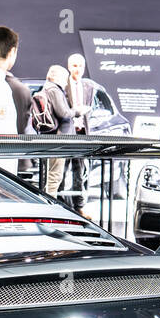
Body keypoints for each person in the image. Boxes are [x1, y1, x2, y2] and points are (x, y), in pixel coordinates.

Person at [64, 53, 105, 217]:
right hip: (66, 134)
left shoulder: (89, 87)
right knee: (61, 170)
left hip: (82, 134)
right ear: (69, 67)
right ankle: (57, 204)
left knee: (79, 173)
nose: (77, 69)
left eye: (80, 66)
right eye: (74, 66)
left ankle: (78, 206)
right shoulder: (63, 85)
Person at [35, 64, 74, 199]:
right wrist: (77, 111)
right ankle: (51, 204)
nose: (65, 82)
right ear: (55, 77)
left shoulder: (47, 88)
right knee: (54, 175)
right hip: (59, 138)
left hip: (52, 136)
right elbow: (63, 113)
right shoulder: (54, 89)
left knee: (50, 174)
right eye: (65, 78)